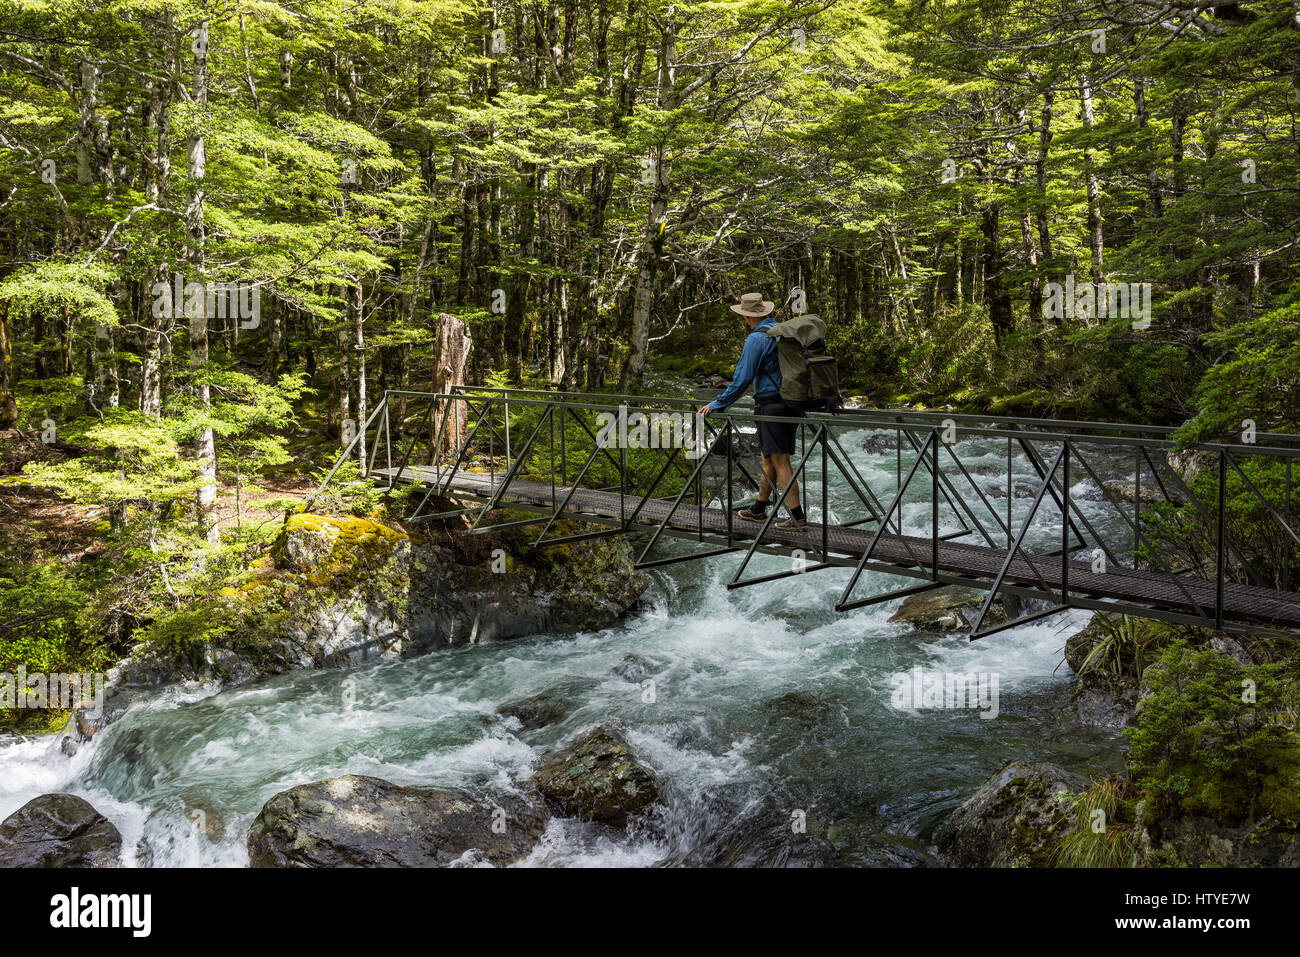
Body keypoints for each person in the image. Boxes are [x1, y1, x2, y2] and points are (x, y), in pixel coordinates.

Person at [697, 292, 810, 531]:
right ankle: (759, 508)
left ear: (748, 316)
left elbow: (743, 378)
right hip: (792, 402)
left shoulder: (757, 339)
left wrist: (718, 403)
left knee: (781, 461)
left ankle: (798, 518)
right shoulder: (785, 333)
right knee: (768, 458)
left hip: (771, 405)